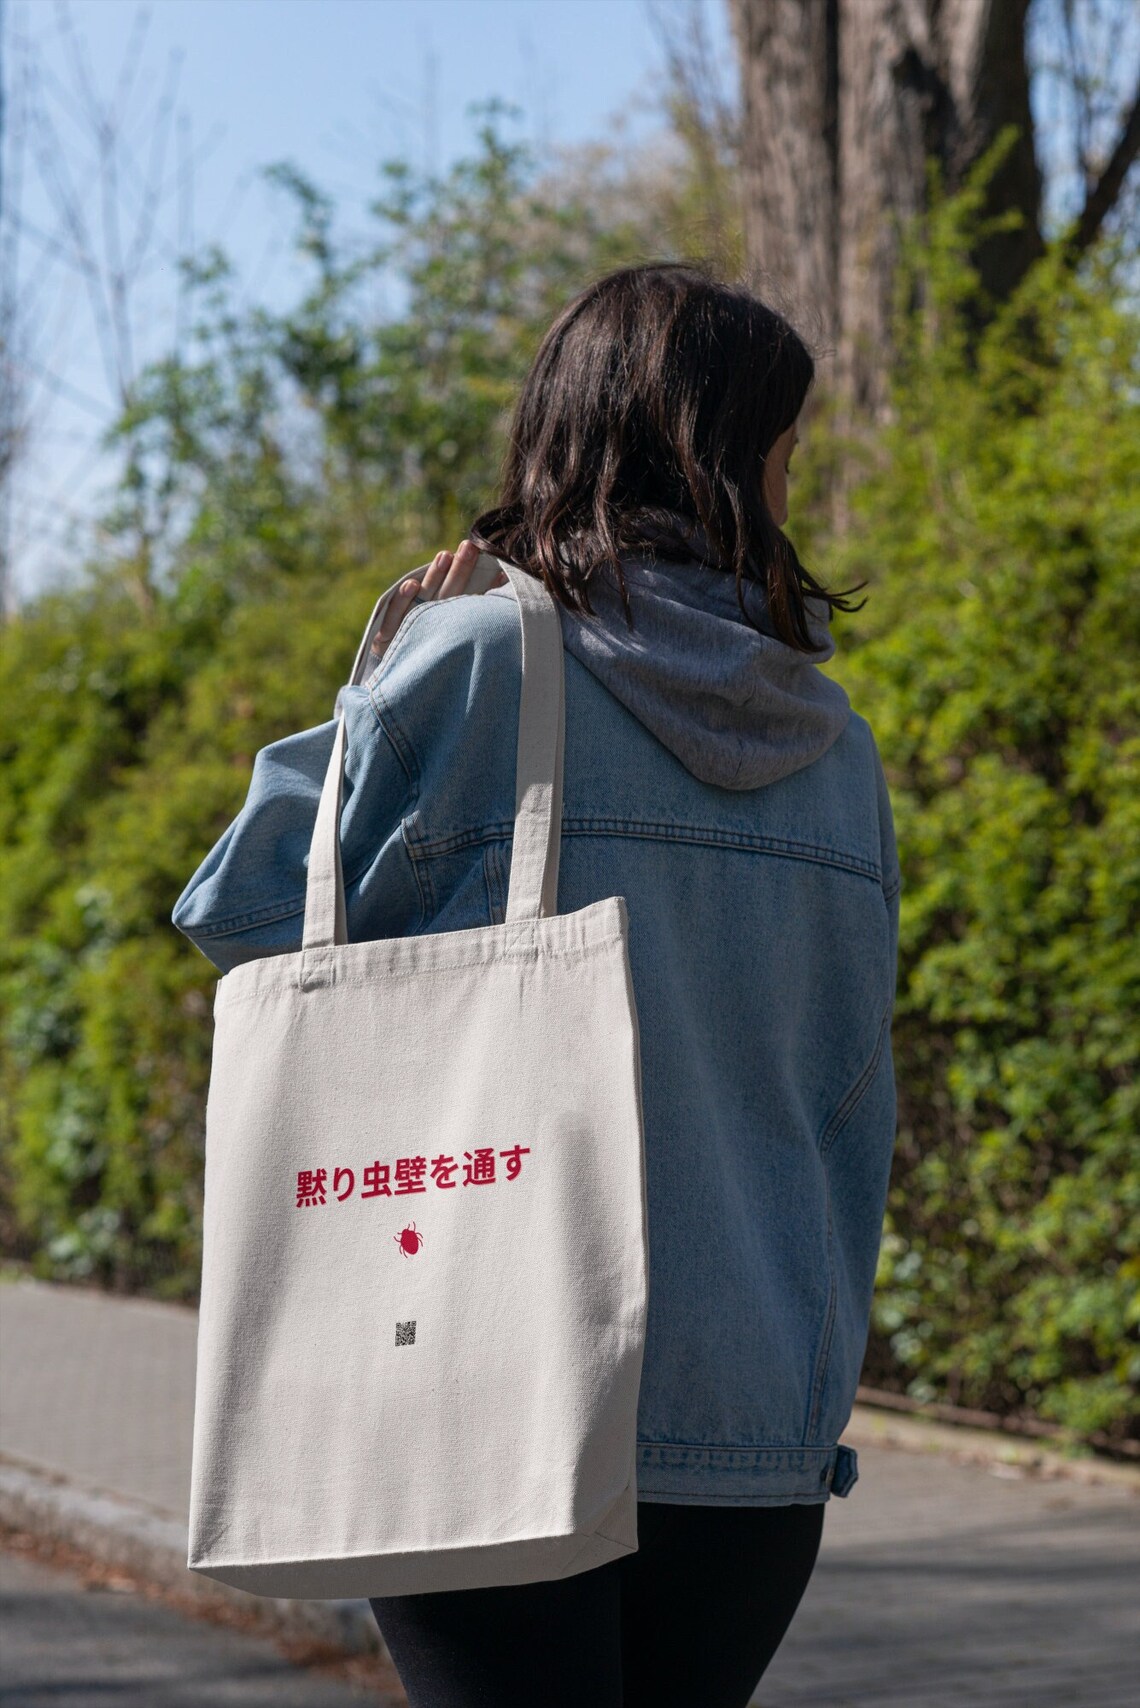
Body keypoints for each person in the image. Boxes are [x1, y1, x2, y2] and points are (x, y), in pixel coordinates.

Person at [172, 262, 900, 1708]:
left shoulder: (481, 663)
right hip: (755, 1413)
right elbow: (845, 1105)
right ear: (725, 456)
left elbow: (243, 910)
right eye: (783, 441)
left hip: (478, 1381)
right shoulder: (838, 748)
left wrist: (376, 681)